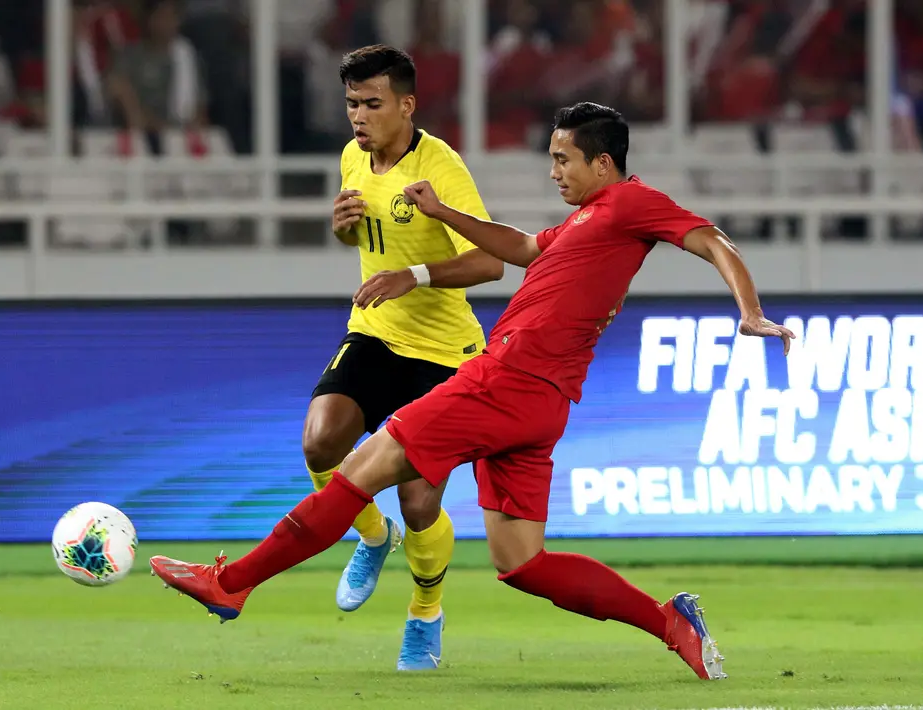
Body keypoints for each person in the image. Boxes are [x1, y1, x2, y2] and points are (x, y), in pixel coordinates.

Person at [150, 102, 796, 681]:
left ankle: (232, 583)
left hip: (505, 380)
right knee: (523, 562)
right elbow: (524, 247)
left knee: (356, 472)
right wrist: (442, 213)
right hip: (541, 402)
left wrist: (750, 312)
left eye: (563, 159)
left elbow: (712, 240)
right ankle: (669, 622)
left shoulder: (631, 203)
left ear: (603, 163)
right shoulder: (587, 221)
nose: (553, 172)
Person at [307, 45, 503, 670]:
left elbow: (490, 262)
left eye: (372, 103)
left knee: (420, 504)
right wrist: (342, 228)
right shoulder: (352, 156)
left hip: (444, 353)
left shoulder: (439, 164)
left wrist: (412, 275)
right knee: (320, 444)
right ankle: (373, 534)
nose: (358, 116)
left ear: (407, 105)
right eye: (351, 104)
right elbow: (361, 234)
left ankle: (425, 612)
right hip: (375, 332)